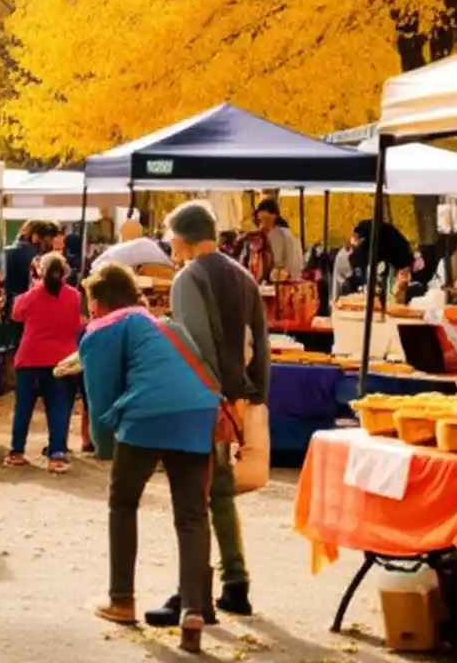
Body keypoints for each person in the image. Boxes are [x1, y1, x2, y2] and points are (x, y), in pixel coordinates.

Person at [82, 263, 219, 652]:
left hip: (148, 412)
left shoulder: (108, 327)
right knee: (192, 513)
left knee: (123, 500)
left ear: (101, 302)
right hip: (198, 410)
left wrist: (103, 445)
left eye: (91, 305)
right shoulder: (163, 324)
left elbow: (101, 391)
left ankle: (121, 599)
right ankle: (193, 610)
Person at [147, 201, 269, 626]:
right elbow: (263, 344)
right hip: (237, 396)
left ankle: (193, 596)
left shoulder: (188, 278)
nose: (170, 247)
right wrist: (255, 395)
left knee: (193, 497)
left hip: (206, 399)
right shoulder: (243, 274)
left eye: (170, 239)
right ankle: (236, 583)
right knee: (217, 493)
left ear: (182, 239)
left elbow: (195, 349)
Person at [7, 252, 82, 472]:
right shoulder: (75, 297)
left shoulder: (28, 297)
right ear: (65, 272)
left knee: (24, 407)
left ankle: (17, 452)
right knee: (59, 407)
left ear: (40, 271)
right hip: (62, 360)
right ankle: (57, 454)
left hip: (29, 358)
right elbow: (79, 322)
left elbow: (15, 315)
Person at [93, 218, 174, 272]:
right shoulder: (152, 247)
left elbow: (95, 269)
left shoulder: (114, 252)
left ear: (123, 234)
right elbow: (170, 267)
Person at [253, 198, 303, 280]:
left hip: (283, 279)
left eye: (262, 220)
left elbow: (278, 261)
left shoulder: (276, 233)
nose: (261, 225)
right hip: (295, 278)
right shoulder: (287, 232)